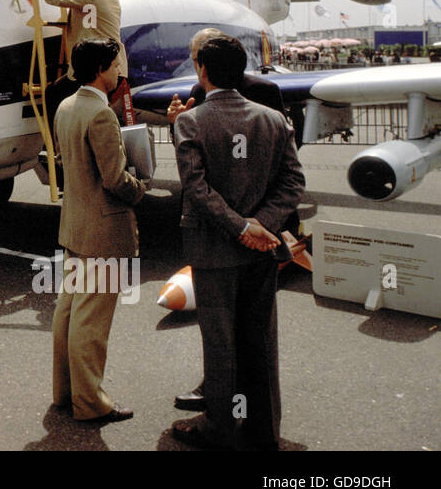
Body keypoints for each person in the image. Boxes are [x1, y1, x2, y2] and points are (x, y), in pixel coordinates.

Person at [170, 35, 305, 451]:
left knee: (221, 344)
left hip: (214, 254)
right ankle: (264, 430)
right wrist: (261, 226)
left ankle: (221, 429)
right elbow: (293, 182)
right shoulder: (272, 119)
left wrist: (241, 227)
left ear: (202, 70)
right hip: (263, 252)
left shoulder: (190, 122)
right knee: (261, 342)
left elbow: (197, 190)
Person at [51, 38, 145, 423]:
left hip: (76, 225)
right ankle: (90, 403)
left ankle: (65, 393)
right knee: (91, 324)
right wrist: (141, 185)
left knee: (69, 314)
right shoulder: (101, 114)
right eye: (115, 64)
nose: (119, 70)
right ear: (101, 69)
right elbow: (114, 180)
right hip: (103, 231)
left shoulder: (66, 106)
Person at [23, 0, 131, 131]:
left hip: (96, 70)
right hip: (116, 69)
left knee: (52, 95)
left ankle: (56, 144)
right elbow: (89, 10)